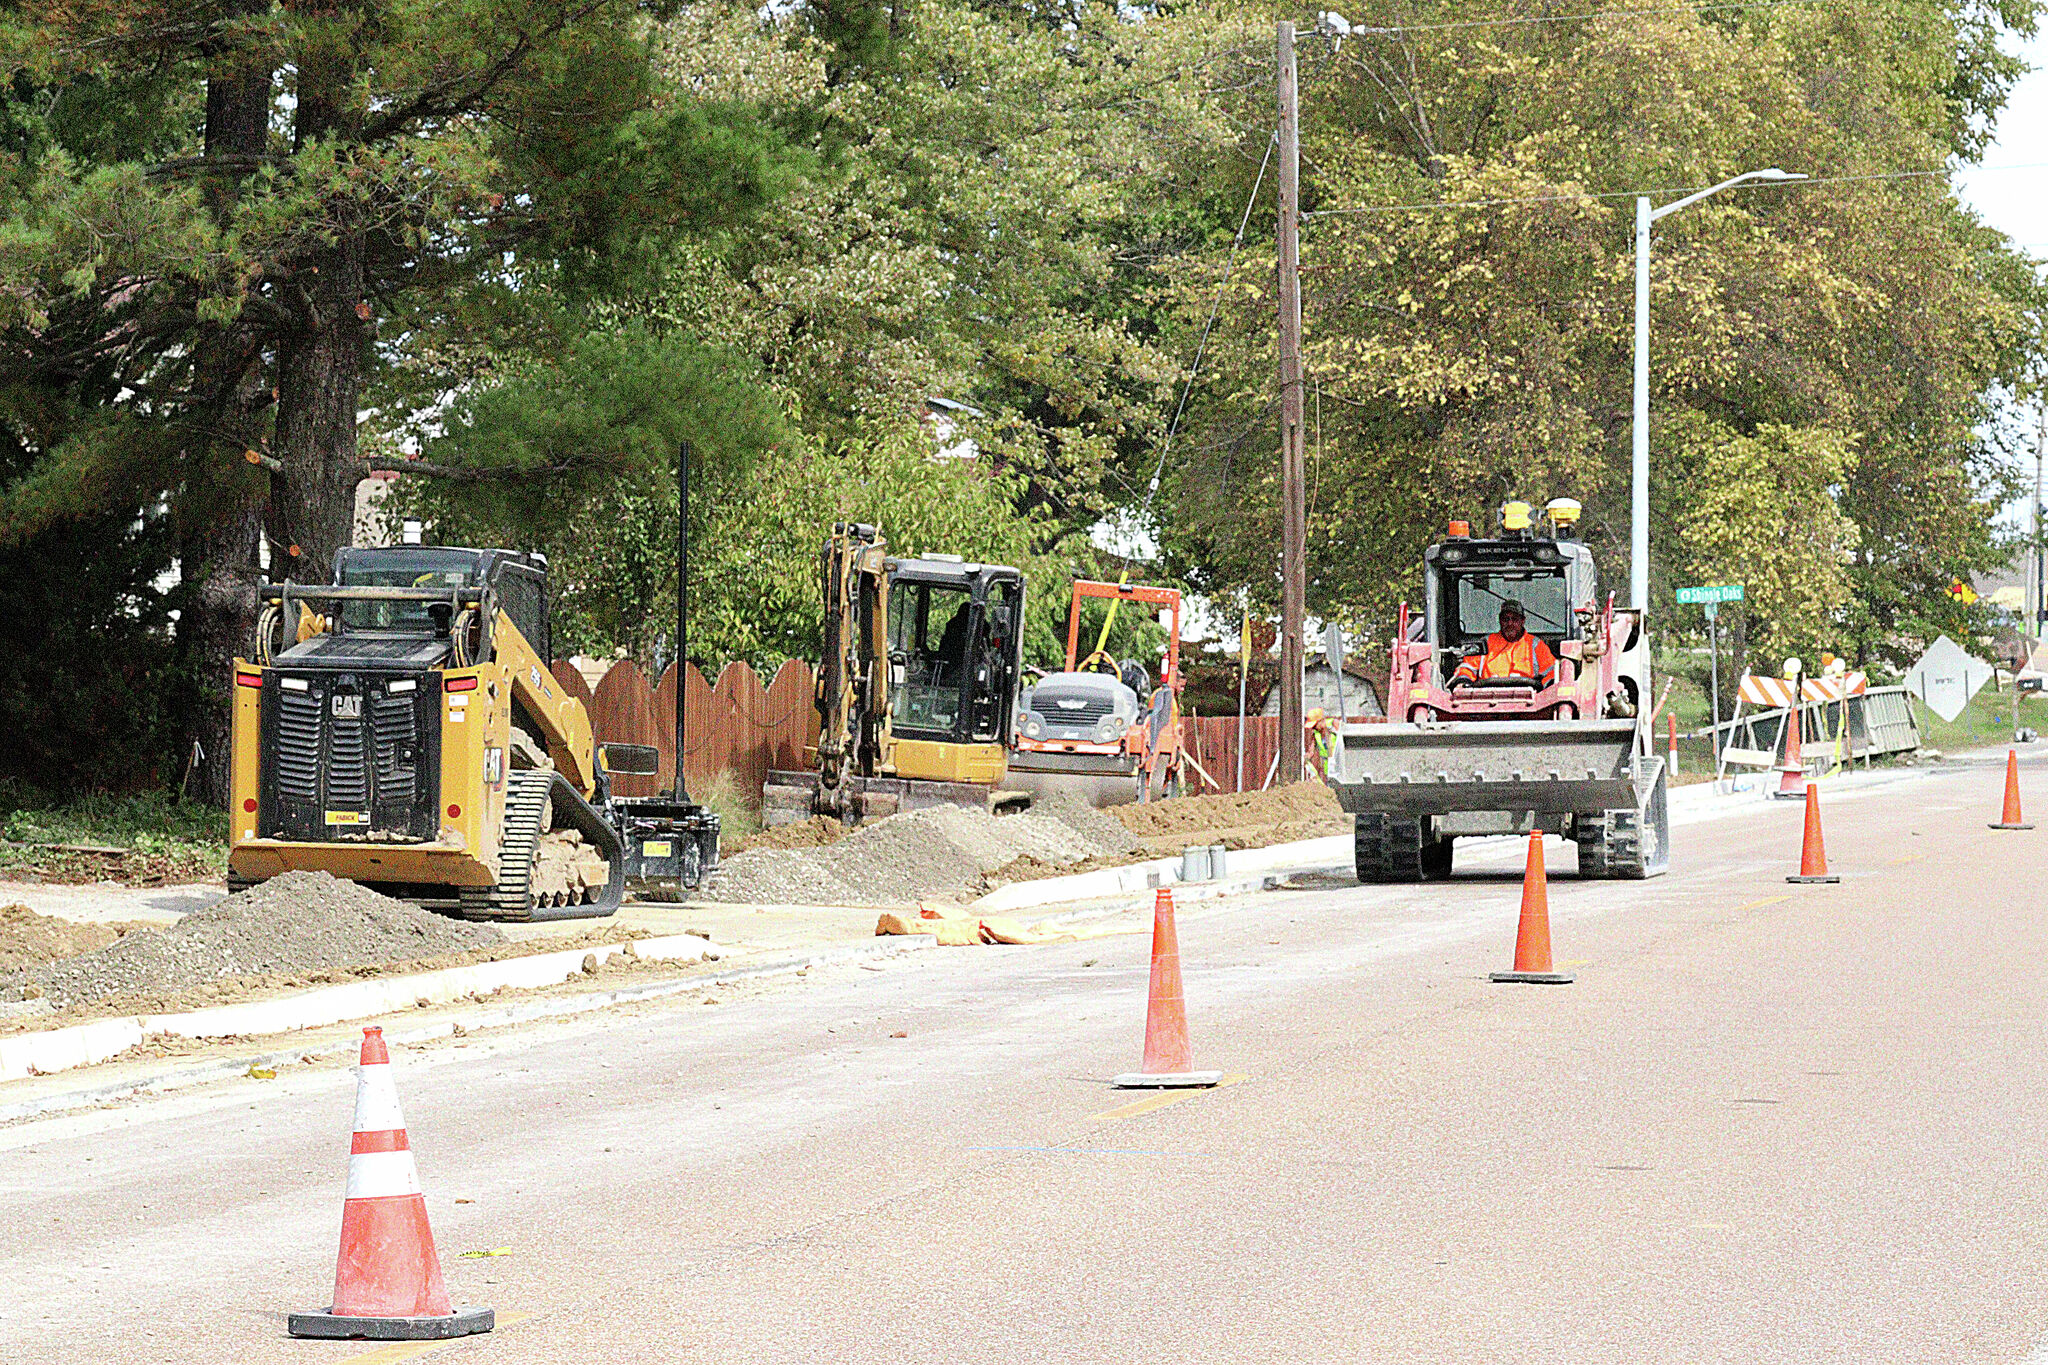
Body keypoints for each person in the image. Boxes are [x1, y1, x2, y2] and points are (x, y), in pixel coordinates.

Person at [1453, 600, 1557, 686]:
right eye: (1506, 619)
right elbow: (1467, 668)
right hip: (1486, 699)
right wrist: (1463, 682)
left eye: (1515, 619)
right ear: (1500, 621)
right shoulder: (1485, 643)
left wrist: (1550, 686)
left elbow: (1551, 672)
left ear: (1523, 621)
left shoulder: (1536, 645)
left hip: (1529, 701)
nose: (1510, 623)